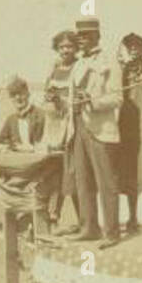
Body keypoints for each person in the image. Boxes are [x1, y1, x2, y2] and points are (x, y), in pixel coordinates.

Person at [69, 17, 123, 248]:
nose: (83, 40)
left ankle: (111, 233)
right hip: (78, 125)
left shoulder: (110, 61)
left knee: (106, 183)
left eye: (88, 35)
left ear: (97, 36)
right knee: (83, 181)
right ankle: (89, 228)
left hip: (101, 128)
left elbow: (117, 98)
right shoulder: (78, 64)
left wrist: (93, 101)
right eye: (80, 36)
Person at [116, 33, 142, 234]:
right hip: (125, 124)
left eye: (137, 46)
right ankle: (129, 217)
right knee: (126, 171)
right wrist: (123, 67)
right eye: (130, 47)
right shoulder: (120, 69)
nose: (134, 50)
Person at [43, 30, 81, 235]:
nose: (66, 50)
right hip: (55, 124)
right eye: (62, 47)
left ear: (76, 48)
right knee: (56, 172)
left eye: (69, 46)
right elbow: (47, 94)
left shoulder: (79, 67)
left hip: (73, 122)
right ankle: (53, 218)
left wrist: (64, 102)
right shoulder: (53, 69)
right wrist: (51, 97)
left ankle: (84, 219)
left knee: (74, 172)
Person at [0, 77, 45, 152]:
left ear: (28, 94)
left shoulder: (41, 115)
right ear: (10, 98)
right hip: (18, 161)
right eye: (13, 95)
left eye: (21, 93)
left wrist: (33, 148)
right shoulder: (11, 120)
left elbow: (50, 143)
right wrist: (1, 147)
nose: (17, 98)